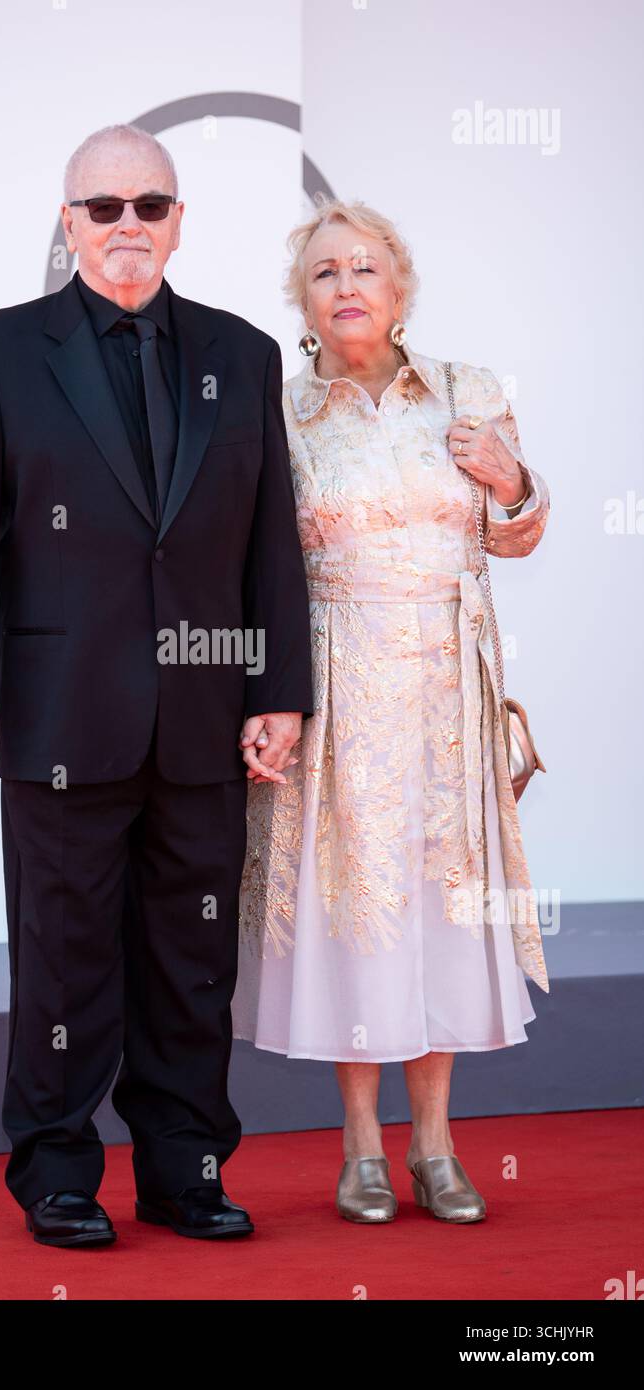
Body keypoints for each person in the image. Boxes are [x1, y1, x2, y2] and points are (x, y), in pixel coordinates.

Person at [0, 124, 313, 1247]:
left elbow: (265, 539)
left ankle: (185, 1168)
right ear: (67, 221)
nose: (126, 225)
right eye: (102, 207)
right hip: (62, 712)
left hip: (204, 711)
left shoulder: (243, 353)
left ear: (177, 219)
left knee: (192, 959)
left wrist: (277, 687)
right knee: (64, 955)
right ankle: (56, 1172)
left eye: (148, 205)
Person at [234, 196, 550, 1224]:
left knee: (443, 905)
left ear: (400, 289)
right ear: (303, 300)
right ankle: (362, 1149)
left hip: (447, 692)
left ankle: (438, 1148)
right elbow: (253, 564)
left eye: (365, 267)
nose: (346, 286)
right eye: (324, 272)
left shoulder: (466, 392)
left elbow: (513, 536)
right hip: (336, 689)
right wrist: (264, 693)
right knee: (354, 909)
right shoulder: (277, 412)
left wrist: (516, 484)